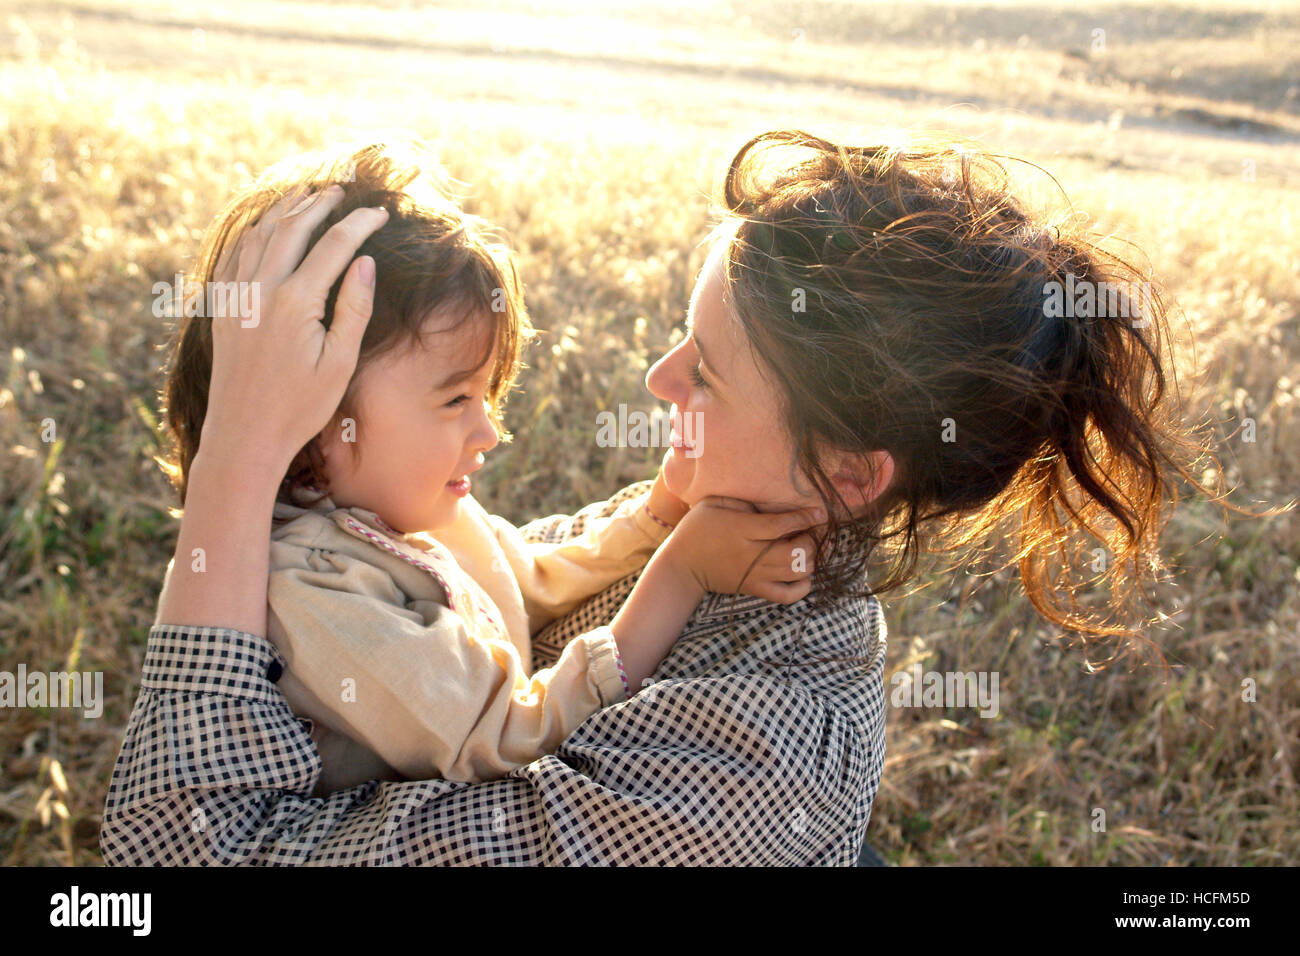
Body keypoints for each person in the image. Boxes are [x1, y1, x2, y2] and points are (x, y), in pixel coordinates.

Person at [101, 129, 1217, 865]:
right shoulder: (734, 527)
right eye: (683, 337)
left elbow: (175, 854)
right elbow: (506, 575)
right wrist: (660, 529)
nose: (658, 380)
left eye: (709, 370)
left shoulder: (733, 777)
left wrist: (238, 467)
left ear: (846, 473)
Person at [152, 142, 820, 794]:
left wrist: (660, 518)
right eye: (455, 400)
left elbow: (529, 582)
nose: (490, 432)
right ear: (314, 424)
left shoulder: (419, 512)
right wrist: (681, 573)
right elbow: (507, 737)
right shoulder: (315, 599)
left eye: (488, 397)